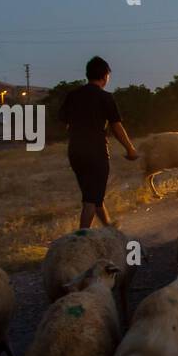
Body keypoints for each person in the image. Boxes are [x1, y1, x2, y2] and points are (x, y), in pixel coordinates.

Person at [58, 56, 139, 228]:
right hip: (96, 153)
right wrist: (130, 148)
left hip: (75, 152)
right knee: (90, 200)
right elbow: (116, 127)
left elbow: (64, 121)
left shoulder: (72, 96)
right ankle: (81, 240)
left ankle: (108, 227)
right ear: (104, 76)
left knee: (93, 195)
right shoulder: (105, 97)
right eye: (108, 75)